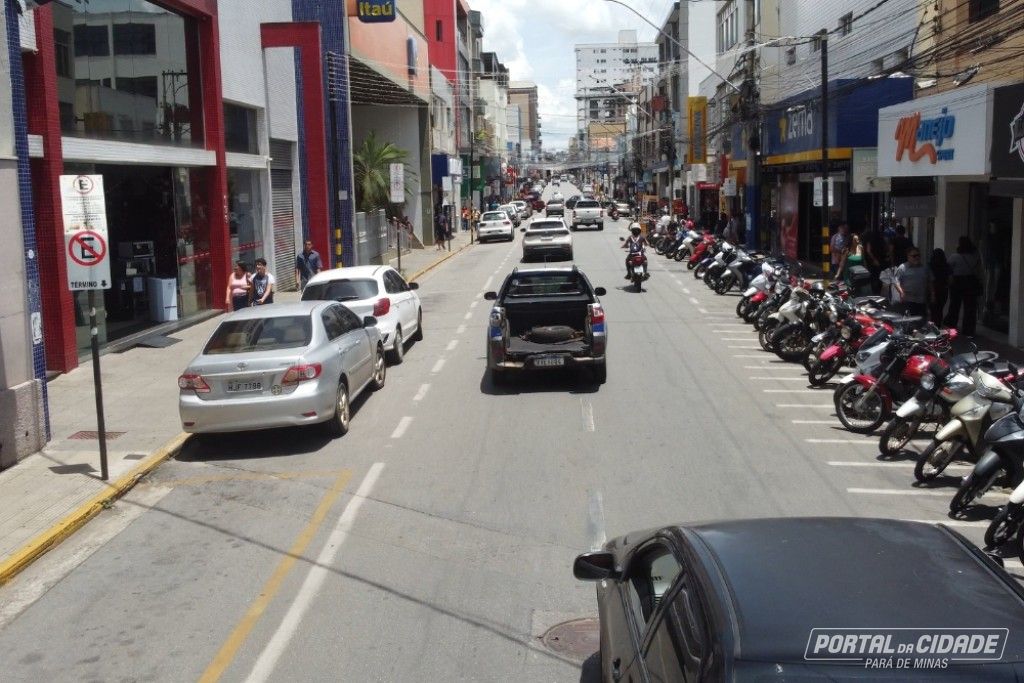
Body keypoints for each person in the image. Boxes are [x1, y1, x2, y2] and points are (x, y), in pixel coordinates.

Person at [945, 236, 983, 337]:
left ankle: (951, 327)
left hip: (957, 282)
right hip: (971, 281)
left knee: (954, 305)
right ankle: (969, 331)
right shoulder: (975, 256)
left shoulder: (955, 256)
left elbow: (948, 268)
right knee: (970, 307)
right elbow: (979, 269)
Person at [894, 249, 928, 318]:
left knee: (921, 320)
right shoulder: (902, 267)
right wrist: (901, 292)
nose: (917, 258)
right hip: (908, 300)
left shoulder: (924, 268)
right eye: (914, 256)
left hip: (922, 300)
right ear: (908, 257)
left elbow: (929, 281)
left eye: (918, 255)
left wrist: (933, 294)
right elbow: (896, 281)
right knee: (910, 320)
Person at [861, 223, 888, 295]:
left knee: (874, 277)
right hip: (879, 260)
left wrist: (873, 259)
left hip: (873, 261)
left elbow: (868, 251)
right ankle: (877, 293)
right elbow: (869, 250)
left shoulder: (869, 239)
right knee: (879, 277)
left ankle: (875, 293)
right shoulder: (882, 239)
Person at [929, 248, 950, 326]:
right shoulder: (946, 266)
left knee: (933, 310)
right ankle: (938, 325)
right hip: (943, 289)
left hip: (932, 289)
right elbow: (951, 279)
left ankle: (932, 325)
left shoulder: (930, 265)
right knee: (940, 309)